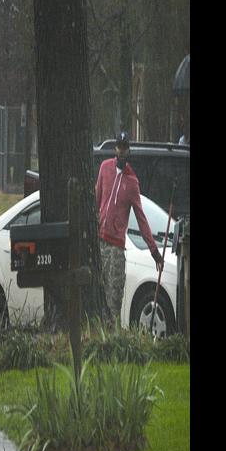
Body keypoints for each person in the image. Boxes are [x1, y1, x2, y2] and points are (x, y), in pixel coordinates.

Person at [95, 132, 163, 324]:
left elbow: (141, 219)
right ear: (115, 149)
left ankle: (110, 339)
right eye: (119, 147)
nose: (121, 151)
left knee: (113, 300)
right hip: (99, 242)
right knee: (97, 297)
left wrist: (153, 250)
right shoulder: (104, 168)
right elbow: (97, 199)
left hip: (116, 247)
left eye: (125, 148)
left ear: (129, 150)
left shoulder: (132, 182)